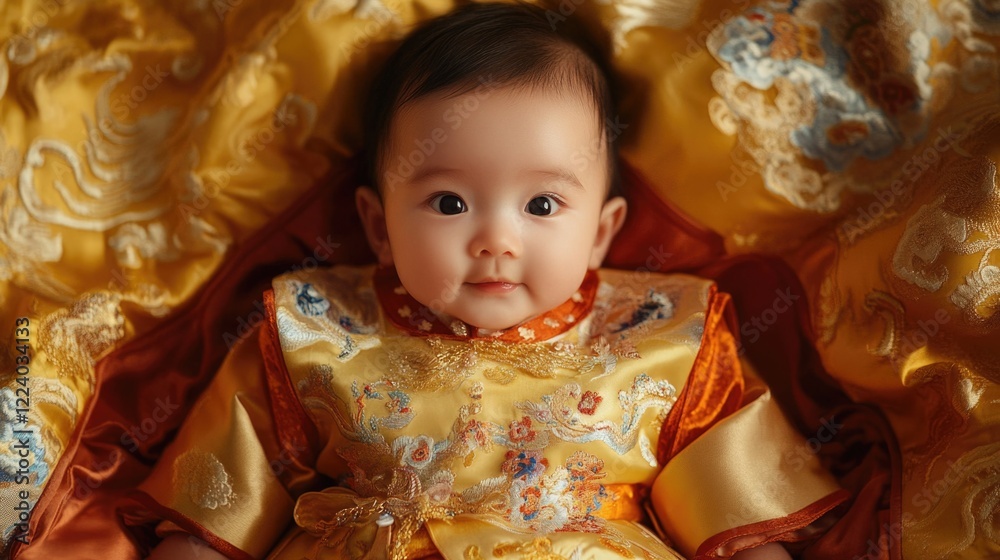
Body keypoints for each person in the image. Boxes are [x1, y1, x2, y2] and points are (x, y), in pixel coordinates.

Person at [139, 2, 846, 558]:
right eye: (449, 203)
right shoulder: (315, 331)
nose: (496, 240)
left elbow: (742, 522)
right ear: (380, 227)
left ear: (600, 232)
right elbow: (215, 513)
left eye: (542, 205)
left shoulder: (665, 336)